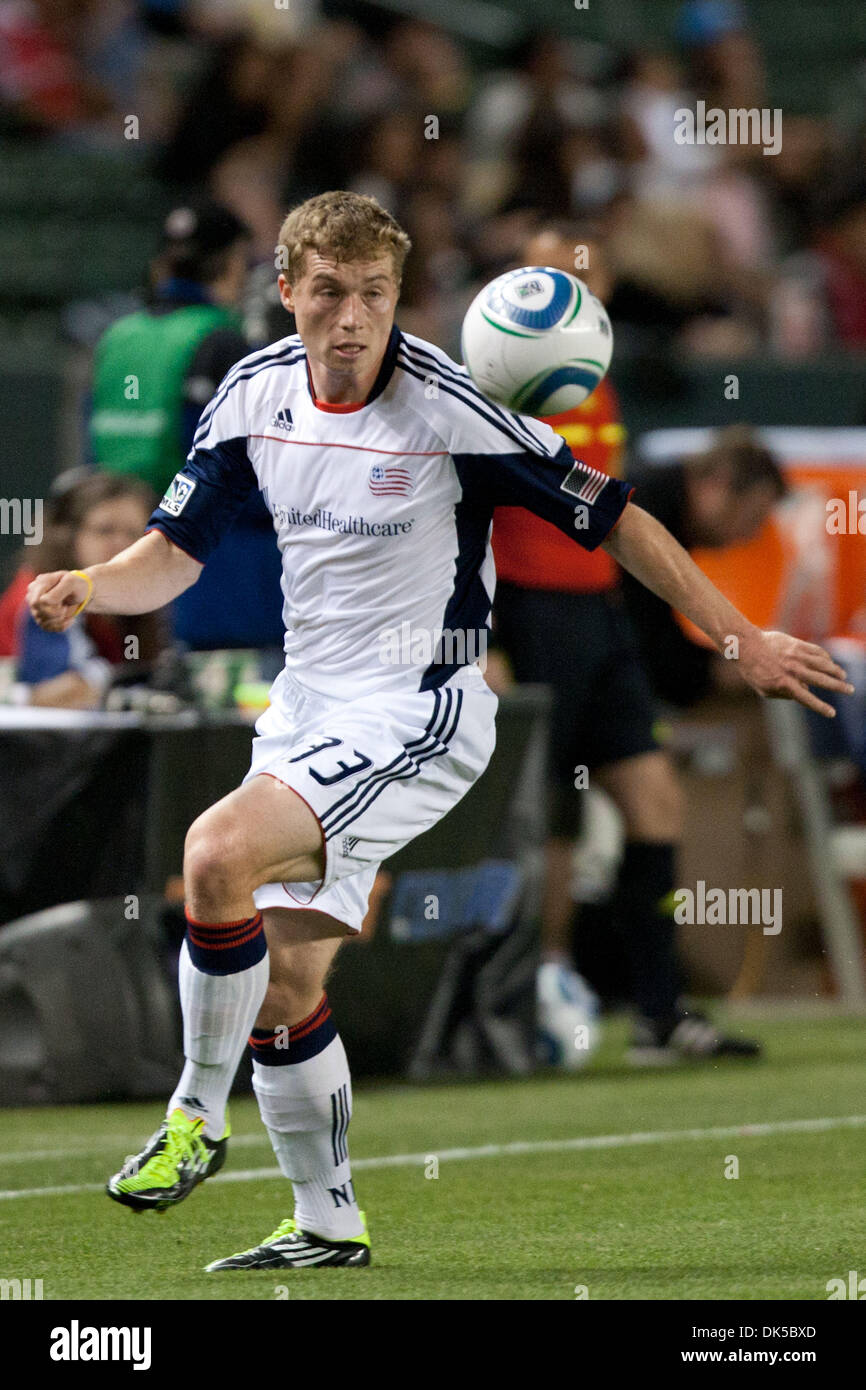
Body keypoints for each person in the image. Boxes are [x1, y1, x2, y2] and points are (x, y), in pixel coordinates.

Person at [28, 191, 852, 1274]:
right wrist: (90, 583)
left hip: (419, 710)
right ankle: (326, 1224)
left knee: (214, 854)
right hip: (307, 708)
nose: (352, 317)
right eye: (327, 293)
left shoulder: (447, 407)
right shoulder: (251, 392)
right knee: (284, 985)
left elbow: (622, 518)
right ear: (286, 294)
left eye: (374, 294)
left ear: (397, 297)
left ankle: (192, 1116)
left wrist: (738, 637)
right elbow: (173, 550)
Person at [492, 225, 767, 1062]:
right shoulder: (503, 373)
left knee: (656, 802)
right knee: (549, 820)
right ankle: (532, 995)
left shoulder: (595, 375)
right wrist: (491, 633)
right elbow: (477, 509)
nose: (571, 283)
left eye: (584, 268)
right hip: (532, 612)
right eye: (549, 270)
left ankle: (659, 1013)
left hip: (598, 612)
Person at [91, 199, 284, 648]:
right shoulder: (226, 343)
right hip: (231, 585)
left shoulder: (117, 338)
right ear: (233, 263)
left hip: (137, 576)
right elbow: (248, 477)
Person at [622, 427, 788, 707]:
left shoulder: (659, 505)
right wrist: (720, 670)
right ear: (718, 483)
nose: (751, 535)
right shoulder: (647, 512)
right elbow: (647, 644)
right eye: (754, 516)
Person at [14, 472, 165, 708]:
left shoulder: (139, 598)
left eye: (134, 534)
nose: (122, 544)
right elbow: (53, 696)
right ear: (67, 537)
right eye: (105, 531)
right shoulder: (44, 595)